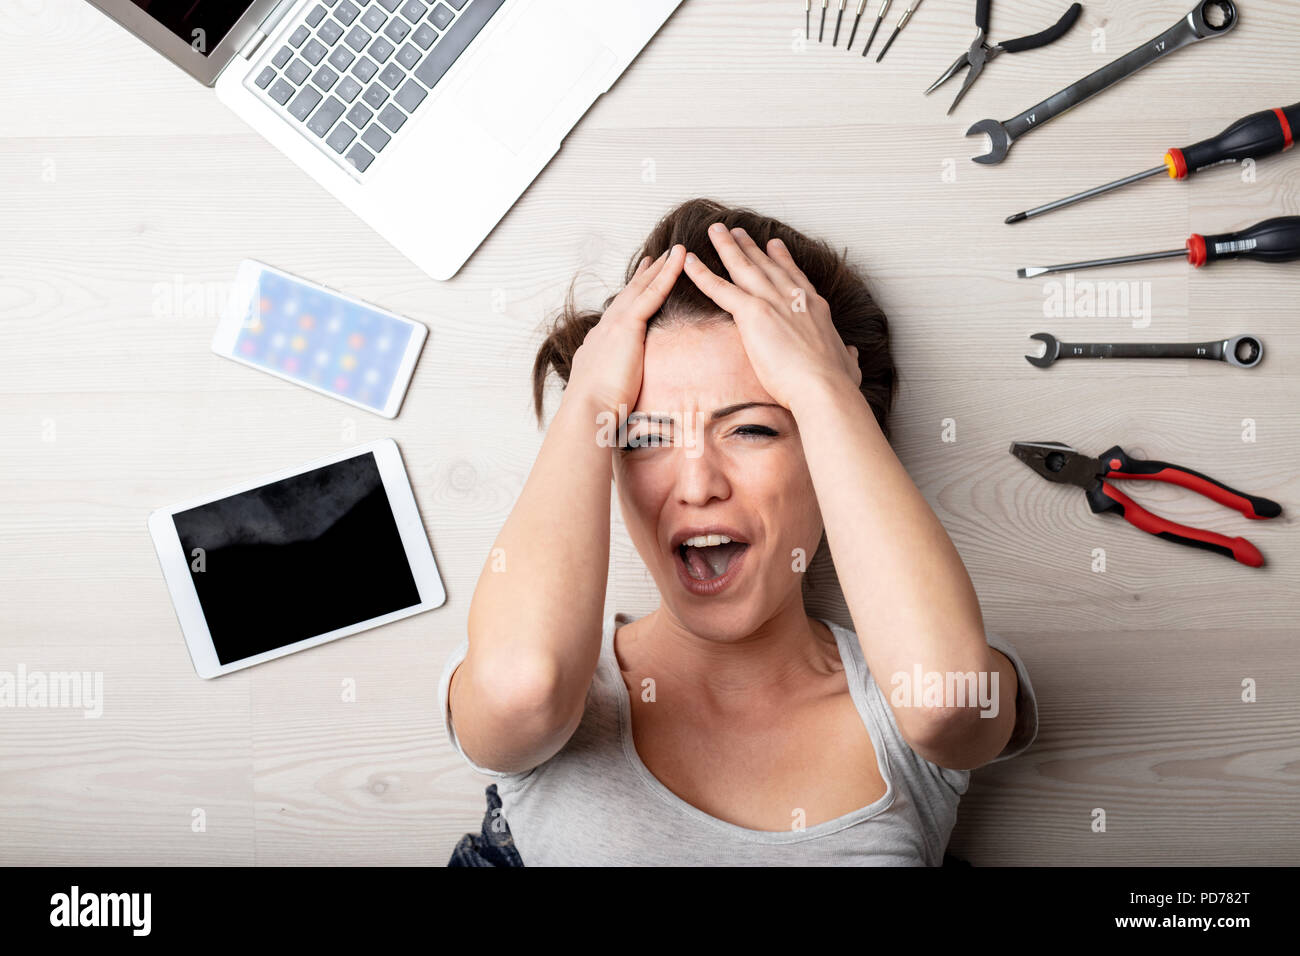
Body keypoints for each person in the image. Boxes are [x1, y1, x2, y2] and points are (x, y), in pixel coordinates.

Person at [441, 198, 1037, 865]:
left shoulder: (908, 691)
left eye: (752, 428)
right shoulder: (557, 679)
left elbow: (948, 700)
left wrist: (824, 388)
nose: (697, 485)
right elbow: (521, 687)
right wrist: (587, 401)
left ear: (834, 450)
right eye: (643, 437)